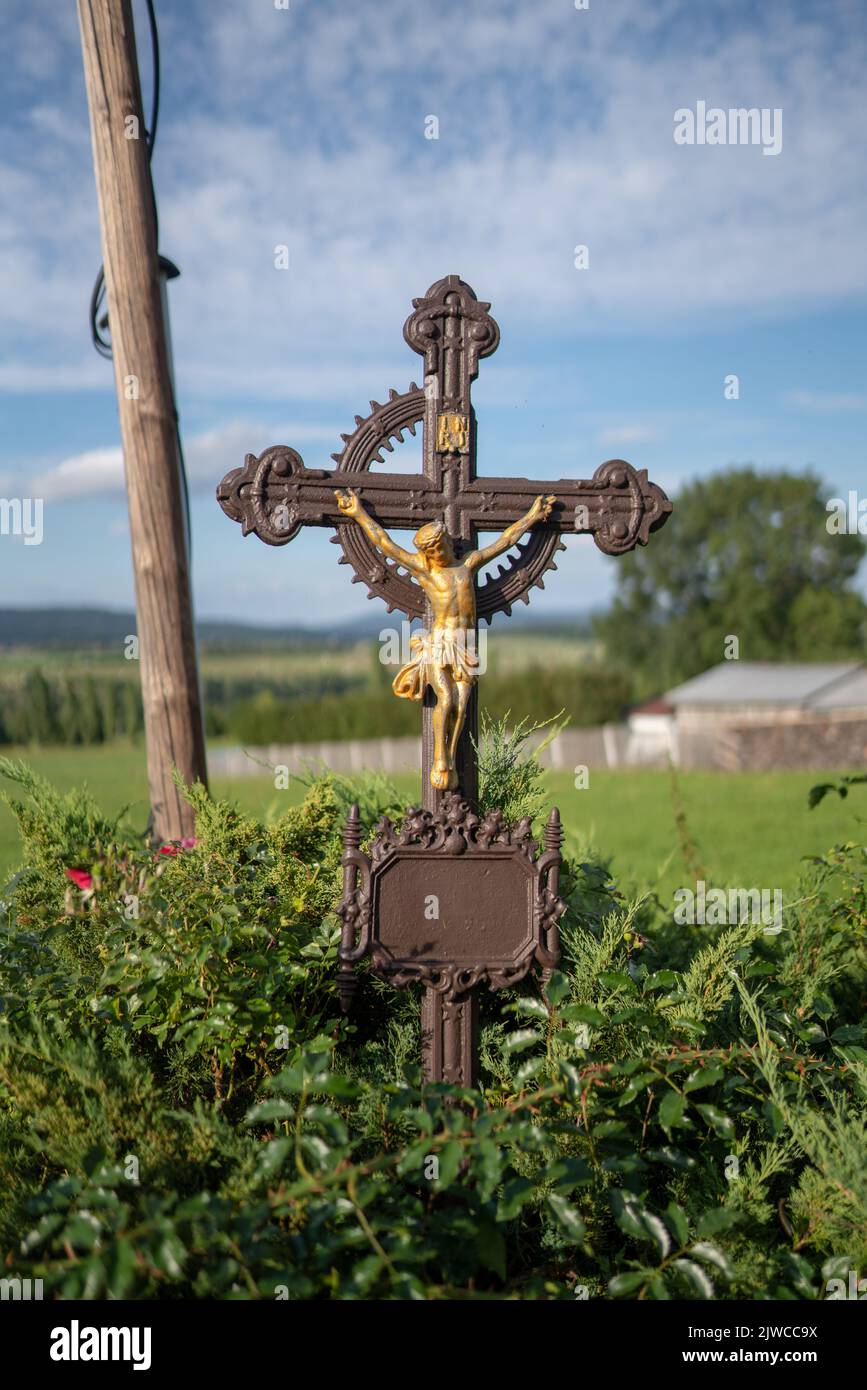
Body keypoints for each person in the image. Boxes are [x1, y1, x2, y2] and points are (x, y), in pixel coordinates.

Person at [335, 488, 555, 789]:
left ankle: (450, 759)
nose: (441, 553)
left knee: (463, 704)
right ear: (427, 554)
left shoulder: (467, 564)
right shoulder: (426, 571)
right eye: (435, 550)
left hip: (464, 647)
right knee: (448, 699)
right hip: (439, 644)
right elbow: (385, 544)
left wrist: (531, 516)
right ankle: (440, 758)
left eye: (443, 545)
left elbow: (505, 541)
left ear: (449, 541)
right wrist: (358, 513)